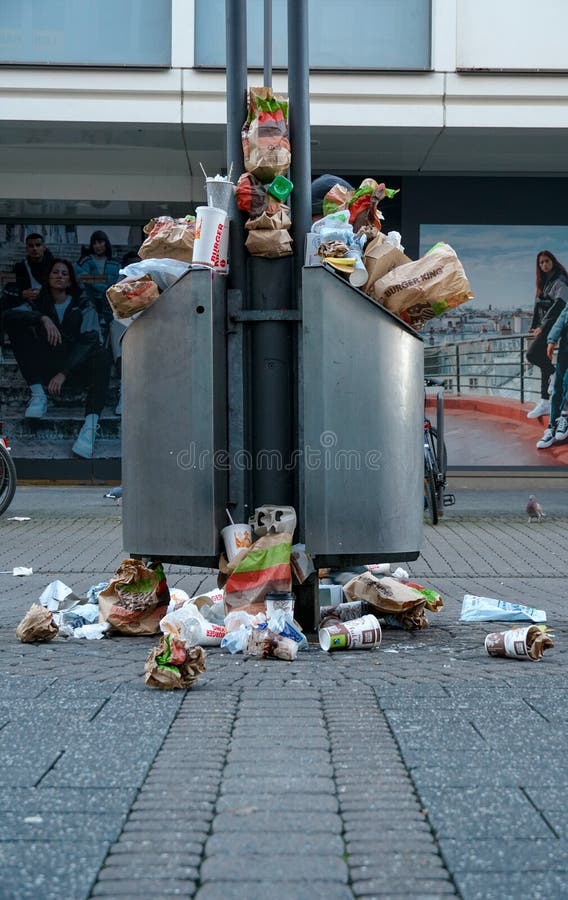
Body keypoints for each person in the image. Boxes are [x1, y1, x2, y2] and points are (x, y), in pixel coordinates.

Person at [3, 258, 112, 459]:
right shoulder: (38, 303)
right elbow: (8, 316)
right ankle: (38, 394)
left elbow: (89, 339)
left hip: (74, 368)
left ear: (70, 280)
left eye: (64, 273)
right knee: (18, 327)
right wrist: (42, 318)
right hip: (47, 365)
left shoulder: (82, 303)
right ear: (48, 278)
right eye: (55, 272)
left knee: (102, 354)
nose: (59, 276)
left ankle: (89, 428)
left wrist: (64, 372)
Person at [525, 250, 568, 419]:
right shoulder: (544, 283)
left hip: (554, 326)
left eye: (547, 261)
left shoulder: (560, 280)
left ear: (553, 261)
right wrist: (535, 326)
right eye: (541, 262)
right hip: (545, 326)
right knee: (544, 360)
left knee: (532, 355)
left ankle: (554, 374)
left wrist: (542, 327)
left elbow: (559, 306)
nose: (544, 265)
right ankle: (544, 401)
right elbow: (539, 307)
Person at [536, 305, 568, 448]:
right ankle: (552, 427)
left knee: (567, 382)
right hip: (565, 348)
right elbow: (561, 319)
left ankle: (565, 416)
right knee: (557, 387)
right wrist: (552, 340)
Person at [75, 230, 121, 327]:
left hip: (110, 304)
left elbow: (118, 282)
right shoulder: (86, 260)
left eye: (100, 242)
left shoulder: (115, 263)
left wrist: (94, 280)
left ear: (106, 243)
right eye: (94, 243)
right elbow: (82, 278)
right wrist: (104, 282)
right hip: (91, 302)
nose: (97, 246)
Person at [14, 233, 54, 302]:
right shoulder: (20, 266)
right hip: (29, 303)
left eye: (38, 245)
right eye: (31, 246)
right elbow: (9, 286)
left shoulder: (55, 265)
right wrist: (22, 293)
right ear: (27, 249)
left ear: (44, 248)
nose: (34, 248)